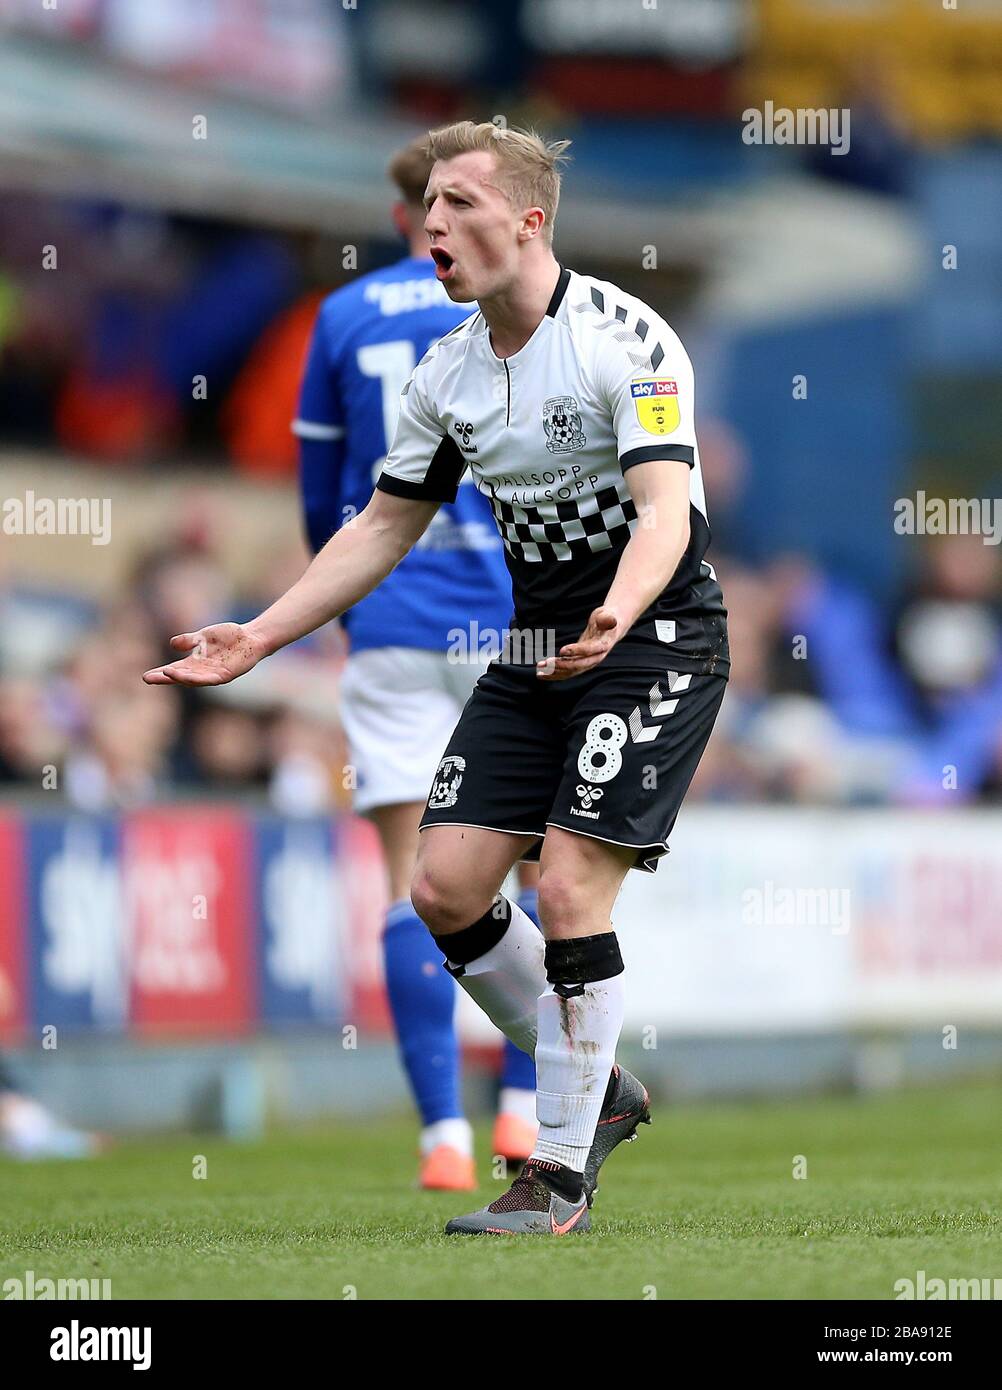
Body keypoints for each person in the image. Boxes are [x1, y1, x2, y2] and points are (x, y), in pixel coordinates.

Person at [145, 121, 729, 1237]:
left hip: (655, 638)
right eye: (429, 205)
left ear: (529, 221)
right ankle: (595, 1086)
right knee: (444, 889)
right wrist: (260, 635)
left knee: (566, 887)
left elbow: (665, 509)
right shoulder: (447, 372)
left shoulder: (624, 336)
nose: (433, 223)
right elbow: (379, 527)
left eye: (460, 202)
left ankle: (555, 1174)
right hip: (535, 646)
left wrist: (621, 604)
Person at [294, 138, 540, 1191]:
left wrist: (335, 602)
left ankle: (442, 1132)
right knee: (525, 874)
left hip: (390, 620)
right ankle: (527, 1107)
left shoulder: (344, 315)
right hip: (513, 624)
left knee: (410, 878)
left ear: (396, 215)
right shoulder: (508, 310)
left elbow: (320, 501)